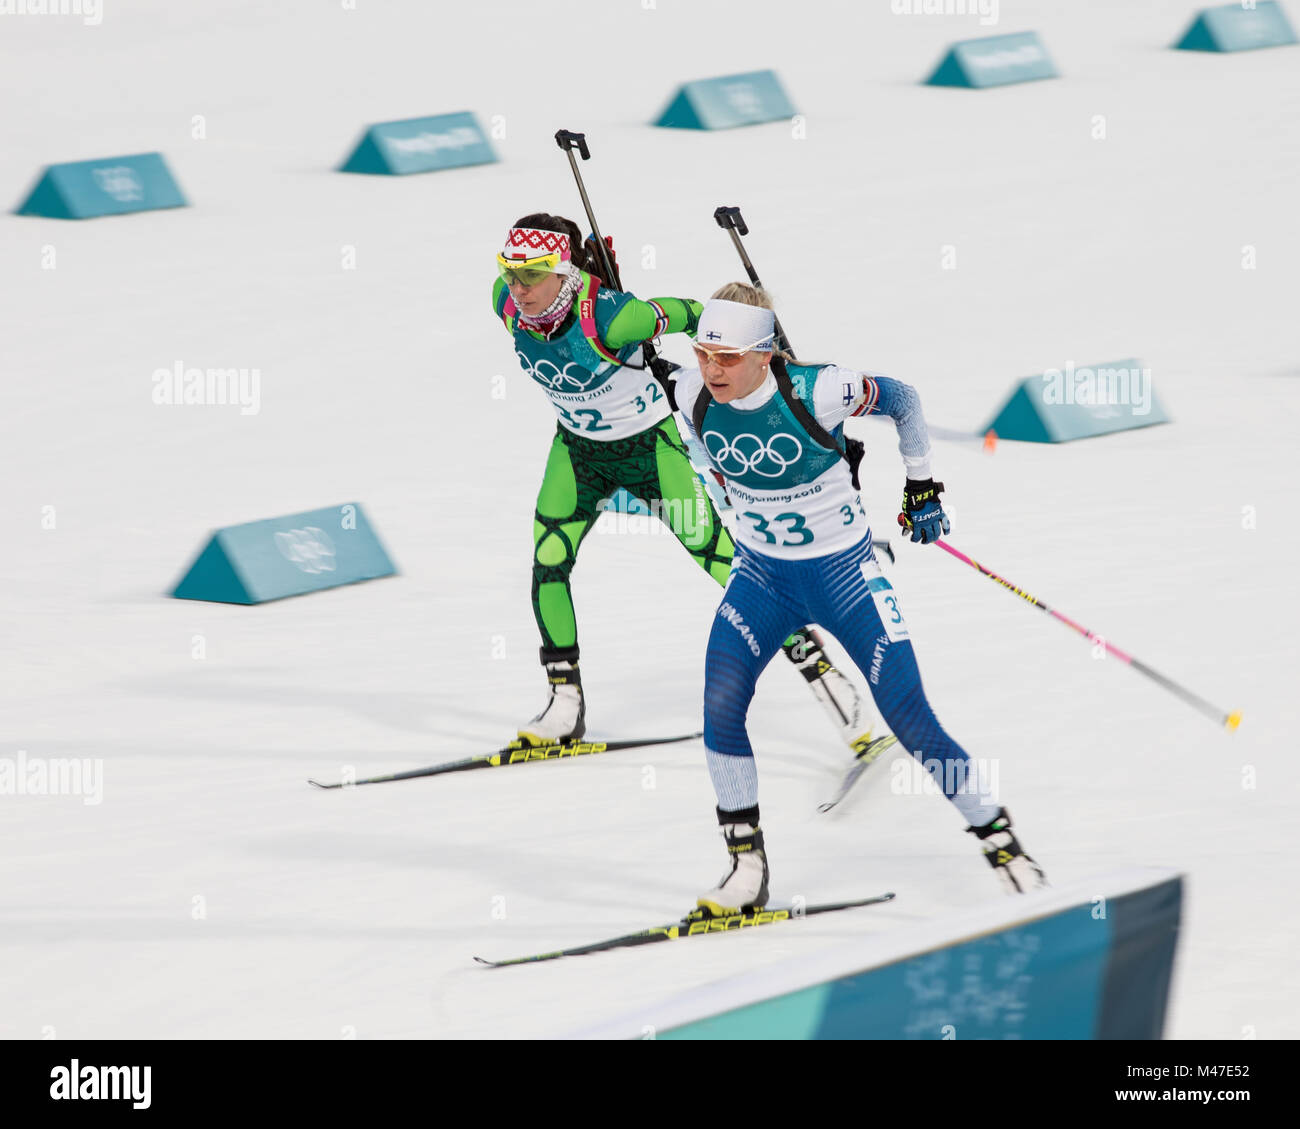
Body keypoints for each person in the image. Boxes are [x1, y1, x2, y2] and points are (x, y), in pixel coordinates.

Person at [675, 284, 1047, 911]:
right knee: (719, 706)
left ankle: (1001, 842)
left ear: (765, 354)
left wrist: (922, 487)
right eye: (705, 351)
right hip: (762, 580)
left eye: (729, 356)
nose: (713, 368)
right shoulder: (688, 394)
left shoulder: (819, 389)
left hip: (845, 578)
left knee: (910, 718)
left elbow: (902, 398)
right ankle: (746, 866)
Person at [493, 214, 874, 750]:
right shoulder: (505, 303)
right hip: (577, 452)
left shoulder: (616, 318)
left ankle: (829, 682)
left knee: (727, 565)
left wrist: (759, 364)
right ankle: (565, 704)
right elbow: (516, 293)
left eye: (531, 274)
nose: (518, 287)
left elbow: (701, 318)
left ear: (563, 271)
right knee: (548, 561)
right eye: (510, 273)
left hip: (651, 450)